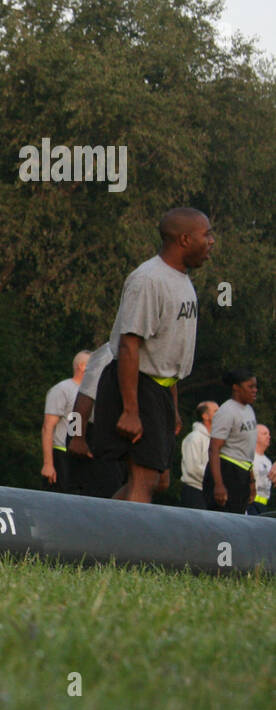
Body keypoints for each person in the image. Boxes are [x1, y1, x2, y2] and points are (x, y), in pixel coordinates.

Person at [88, 208, 214, 503]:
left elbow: (167, 352)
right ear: (184, 239)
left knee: (154, 480)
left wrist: (173, 405)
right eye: (206, 234)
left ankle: (100, 538)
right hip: (138, 386)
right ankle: (127, 550)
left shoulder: (180, 279)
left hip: (159, 390)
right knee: (143, 478)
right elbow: (129, 345)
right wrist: (131, 410)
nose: (212, 241)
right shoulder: (148, 279)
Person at [66, 342, 126, 498]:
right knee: (100, 489)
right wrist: (76, 437)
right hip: (91, 432)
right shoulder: (109, 353)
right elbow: (81, 398)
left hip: (114, 434)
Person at [202, 369, 258, 515]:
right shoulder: (227, 411)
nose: (254, 390)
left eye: (255, 386)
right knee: (223, 521)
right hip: (227, 471)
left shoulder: (249, 410)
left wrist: (251, 481)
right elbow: (214, 449)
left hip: (243, 472)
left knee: (238, 520)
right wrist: (219, 484)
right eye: (250, 386)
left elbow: (246, 450)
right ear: (236, 387)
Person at [41, 351, 91, 492]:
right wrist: (48, 464)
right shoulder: (63, 390)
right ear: (82, 366)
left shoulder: (88, 393)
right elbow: (48, 427)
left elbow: (77, 425)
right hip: (61, 455)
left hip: (79, 456)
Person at [176, 401, 217, 509]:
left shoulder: (215, 440)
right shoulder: (194, 438)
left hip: (209, 493)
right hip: (195, 492)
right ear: (205, 416)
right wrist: (216, 479)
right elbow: (192, 469)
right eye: (216, 411)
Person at [250, 425, 271, 515]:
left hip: (263, 505)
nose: (268, 436)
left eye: (269, 434)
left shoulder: (268, 461)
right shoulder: (250, 457)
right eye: (264, 434)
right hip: (251, 504)